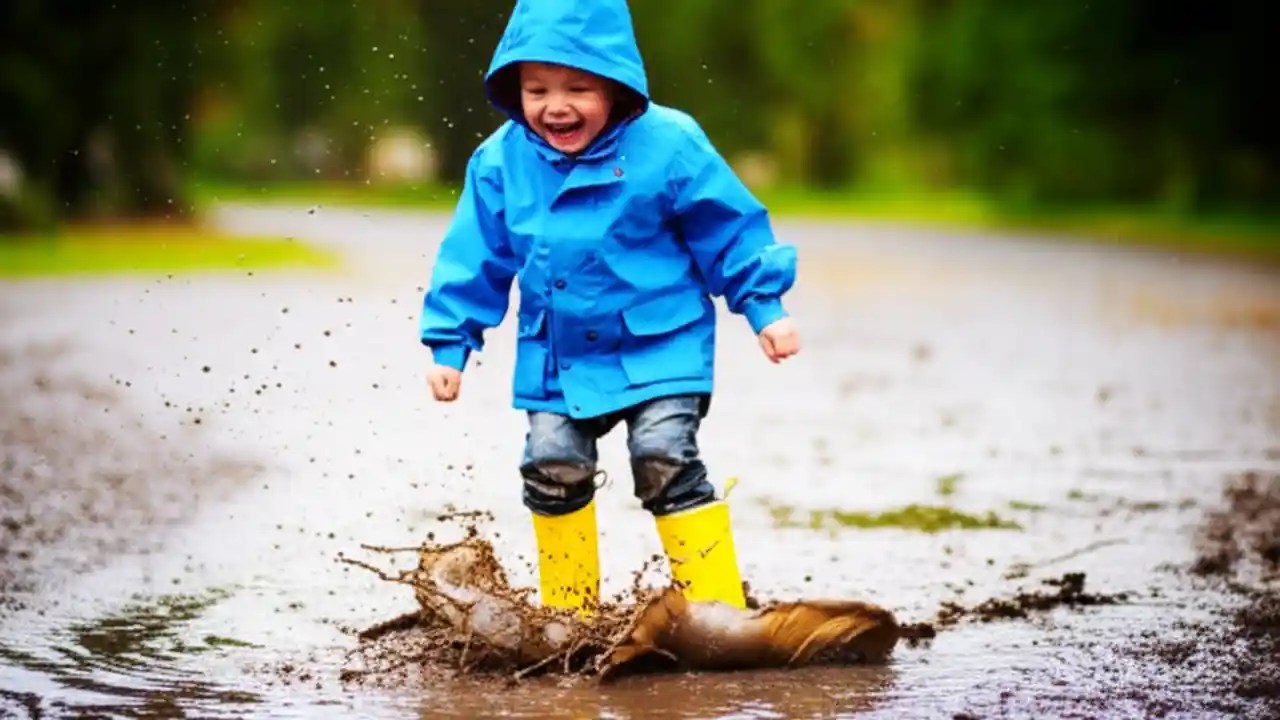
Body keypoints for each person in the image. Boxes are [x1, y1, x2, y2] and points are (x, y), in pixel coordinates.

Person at [419, 0, 799, 614]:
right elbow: (474, 257)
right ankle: (569, 616)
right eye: (536, 88)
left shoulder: (670, 144)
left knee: (663, 459)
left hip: (660, 345)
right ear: (513, 88)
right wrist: (450, 342)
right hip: (558, 356)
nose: (556, 105)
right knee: (550, 465)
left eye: (578, 87)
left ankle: (718, 611)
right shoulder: (499, 160)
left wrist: (765, 307)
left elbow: (728, 229)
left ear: (617, 85)